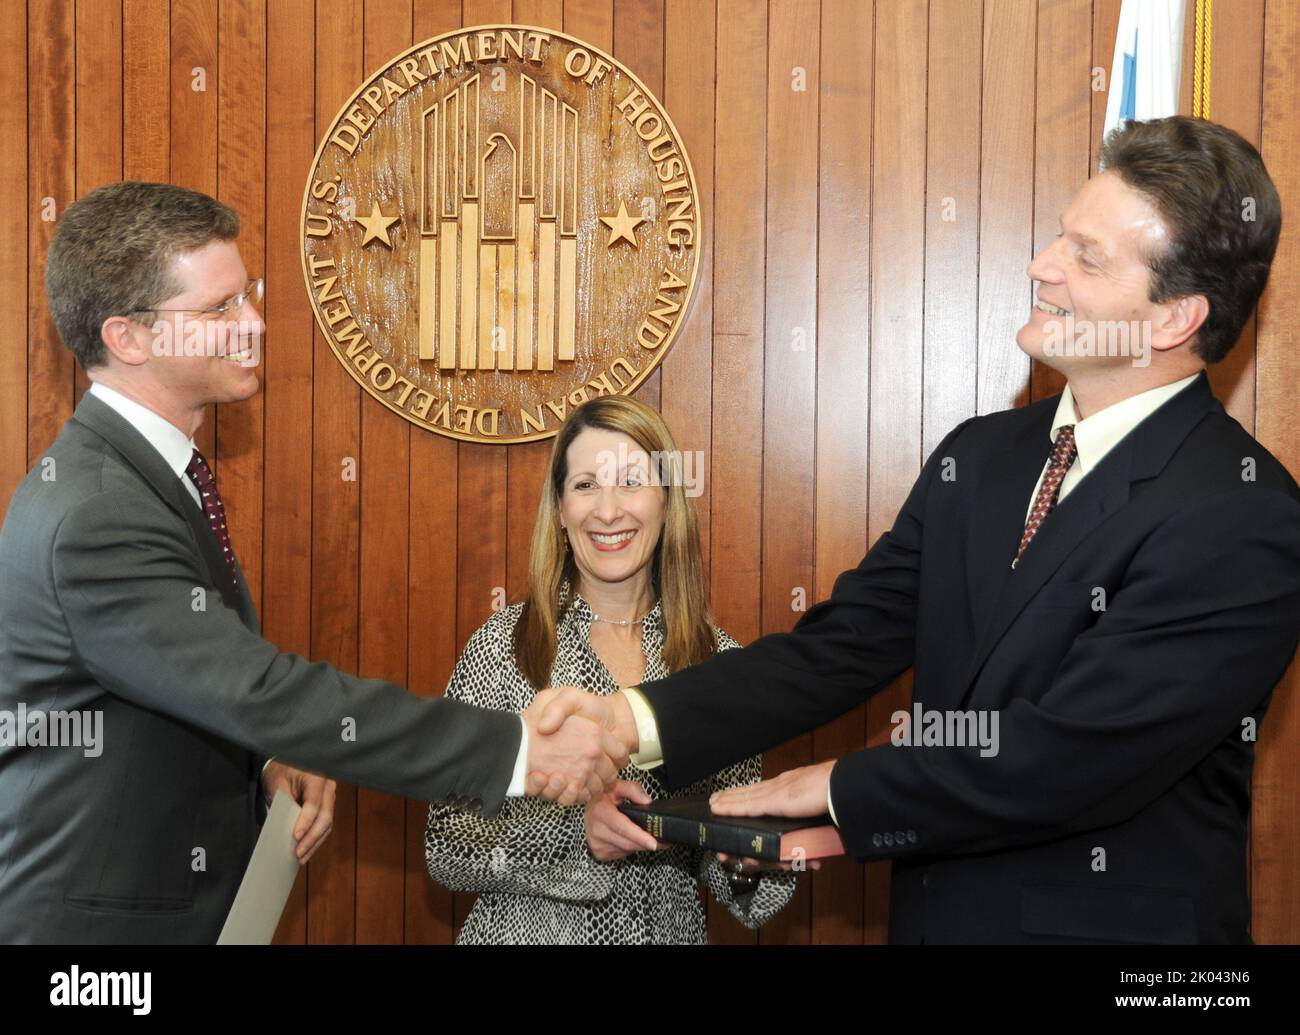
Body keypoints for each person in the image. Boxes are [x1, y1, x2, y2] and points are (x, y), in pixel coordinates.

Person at [533, 116, 1300, 944]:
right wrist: (628, 722)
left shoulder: (1242, 512)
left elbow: (1070, 757)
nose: (1041, 267)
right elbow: (841, 647)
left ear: (1174, 318)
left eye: (1088, 256)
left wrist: (837, 790)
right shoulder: (981, 454)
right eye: (1059, 237)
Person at [0, 181, 624, 944]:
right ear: (128, 338)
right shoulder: (99, 510)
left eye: (249, 295)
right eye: (219, 309)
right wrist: (519, 748)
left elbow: (190, 680)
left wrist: (267, 757)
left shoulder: (146, 477)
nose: (254, 323)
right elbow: (255, 688)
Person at [425, 396, 797, 943]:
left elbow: (741, 879)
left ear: (667, 501)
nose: (607, 510)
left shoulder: (716, 663)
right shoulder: (503, 646)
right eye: (585, 486)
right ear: (558, 507)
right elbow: (447, 845)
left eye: (630, 481)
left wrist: (755, 860)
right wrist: (578, 834)